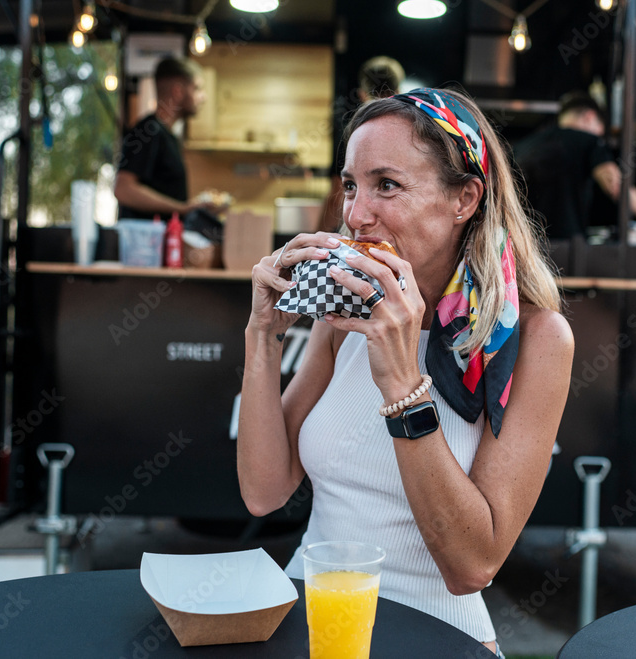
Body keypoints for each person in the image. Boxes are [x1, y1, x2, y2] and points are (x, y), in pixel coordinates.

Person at [238, 88, 574, 656]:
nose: (355, 214)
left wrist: (401, 383)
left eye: (386, 186)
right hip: (313, 621)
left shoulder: (533, 340)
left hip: (434, 633)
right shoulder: (345, 311)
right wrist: (262, 337)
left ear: (464, 199)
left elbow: (473, 566)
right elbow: (263, 493)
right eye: (351, 185)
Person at [515, 91, 636, 240]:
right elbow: (616, 186)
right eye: (599, 131)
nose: (598, 136)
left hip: (524, 246)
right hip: (566, 248)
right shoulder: (589, 140)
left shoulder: (524, 146)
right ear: (590, 117)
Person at [114, 57, 224, 220]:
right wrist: (182, 208)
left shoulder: (168, 136)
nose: (203, 97)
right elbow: (123, 189)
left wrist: (190, 207)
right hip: (145, 243)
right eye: (197, 88)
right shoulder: (148, 131)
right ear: (178, 91)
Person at [317, 55, 406, 233]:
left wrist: (318, 236)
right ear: (397, 89)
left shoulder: (353, 134)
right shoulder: (412, 131)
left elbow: (337, 193)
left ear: (362, 94)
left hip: (363, 234)